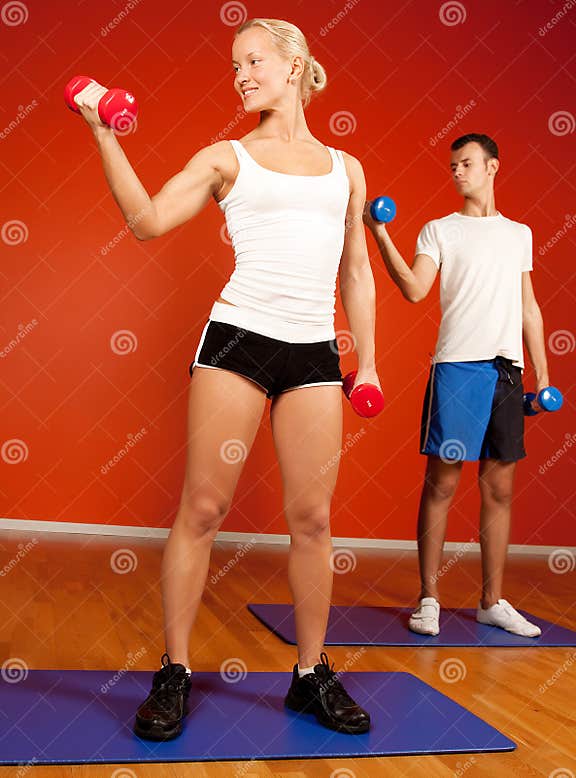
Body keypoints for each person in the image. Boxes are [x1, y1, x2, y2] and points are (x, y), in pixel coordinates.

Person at [73, 18, 379, 739]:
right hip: (238, 340)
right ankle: (174, 670)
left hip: (312, 354)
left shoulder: (346, 167)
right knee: (203, 509)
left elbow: (357, 270)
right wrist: (103, 132)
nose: (241, 75)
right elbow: (147, 221)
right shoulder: (226, 157)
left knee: (313, 520)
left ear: (296, 64)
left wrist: (367, 361)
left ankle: (309, 675)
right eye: (235, 65)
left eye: (254, 62)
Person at [363, 133, 549, 638]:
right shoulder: (439, 230)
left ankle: (492, 600)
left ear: (493, 166)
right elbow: (414, 289)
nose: (457, 172)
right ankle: (429, 599)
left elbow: (528, 307)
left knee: (501, 489)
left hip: (507, 371)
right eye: (453, 166)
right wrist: (380, 234)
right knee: (442, 483)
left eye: (466, 163)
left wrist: (543, 376)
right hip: (458, 370)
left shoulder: (519, 234)